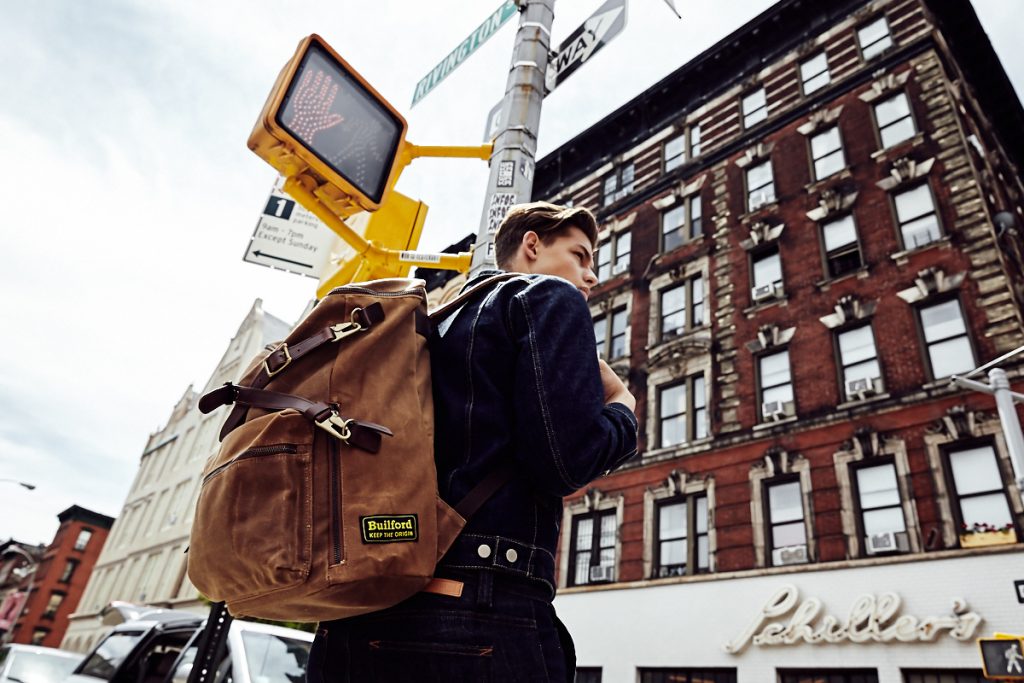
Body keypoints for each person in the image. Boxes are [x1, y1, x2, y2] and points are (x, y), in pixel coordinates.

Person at [306, 201, 638, 682]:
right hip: (475, 611)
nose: (590, 276)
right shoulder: (546, 297)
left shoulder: (429, 326)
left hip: (361, 608)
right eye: (580, 255)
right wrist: (622, 407)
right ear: (531, 245)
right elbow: (566, 463)